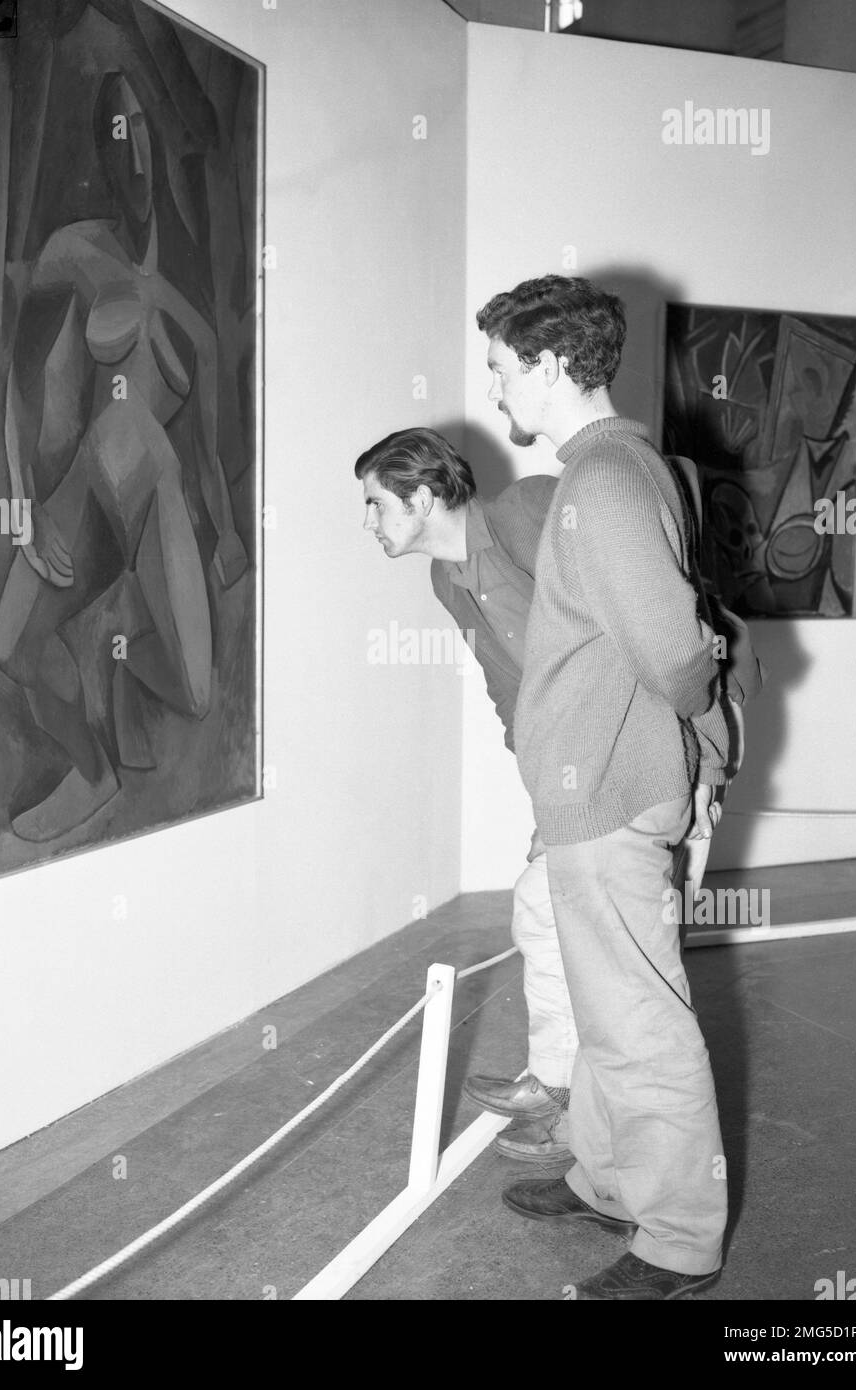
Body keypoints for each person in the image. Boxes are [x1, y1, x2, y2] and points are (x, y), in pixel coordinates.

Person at [354, 425, 760, 1173]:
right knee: (543, 910)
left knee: (631, 977)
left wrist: (703, 765)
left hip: (667, 743)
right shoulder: (449, 580)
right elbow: (516, 698)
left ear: (421, 497)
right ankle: (561, 1090)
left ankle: (629, 1161)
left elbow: (667, 639)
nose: (369, 524)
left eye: (377, 505)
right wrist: (552, 803)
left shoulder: (527, 514)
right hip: (591, 764)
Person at [476, 273, 740, 1299]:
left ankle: (677, 1238)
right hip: (593, 790)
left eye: (502, 372)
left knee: (638, 1023)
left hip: (610, 794)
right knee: (602, 1013)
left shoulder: (603, 482)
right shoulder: (618, 467)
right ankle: (605, 1175)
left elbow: (676, 653)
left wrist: (700, 678)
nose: (497, 396)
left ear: (548, 365)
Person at [0, 72, 246, 842]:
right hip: (85, 489)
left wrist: (228, 534)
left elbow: (202, 457)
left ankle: (127, 640)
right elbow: (10, 374)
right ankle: (93, 774)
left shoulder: (191, 319)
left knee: (197, 694)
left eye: (141, 127)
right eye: (115, 130)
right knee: (10, 646)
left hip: (154, 499)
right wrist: (20, 505)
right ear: (102, 154)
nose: (130, 145)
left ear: (157, 146)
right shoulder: (74, 252)